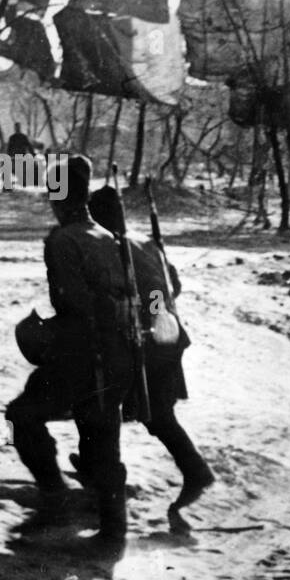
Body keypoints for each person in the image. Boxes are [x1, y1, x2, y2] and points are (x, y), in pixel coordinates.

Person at [5, 155, 133, 544]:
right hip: (116, 354)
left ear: (59, 199)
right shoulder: (108, 236)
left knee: (23, 416)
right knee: (102, 437)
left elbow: (74, 305)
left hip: (80, 355)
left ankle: (55, 497)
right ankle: (113, 530)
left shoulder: (63, 241)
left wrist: (42, 333)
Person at [85, 186, 215, 533]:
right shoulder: (145, 243)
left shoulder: (115, 249)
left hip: (150, 343)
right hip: (166, 338)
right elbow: (173, 285)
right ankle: (192, 470)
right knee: (152, 413)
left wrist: (147, 315)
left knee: (113, 408)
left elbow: (152, 292)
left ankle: (194, 471)